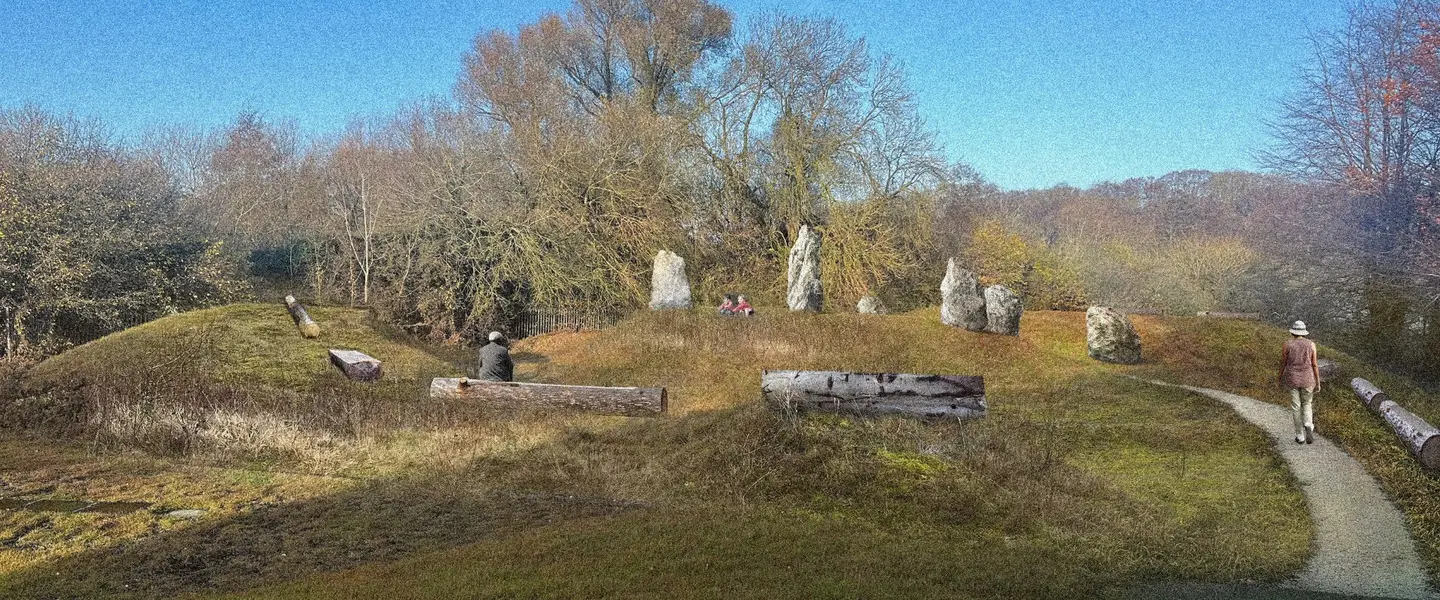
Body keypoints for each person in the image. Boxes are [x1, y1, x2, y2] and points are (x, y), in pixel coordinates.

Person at [1278, 320, 1321, 444]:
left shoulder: (1287, 345)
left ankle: (1300, 435)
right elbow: (1314, 364)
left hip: (1292, 379)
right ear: (1304, 332)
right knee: (1307, 403)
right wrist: (1318, 382)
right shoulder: (1311, 345)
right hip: (1308, 379)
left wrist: (1279, 378)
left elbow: (1283, 363)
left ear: (1293, 332)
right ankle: (1308, 423)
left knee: (1296, 407)